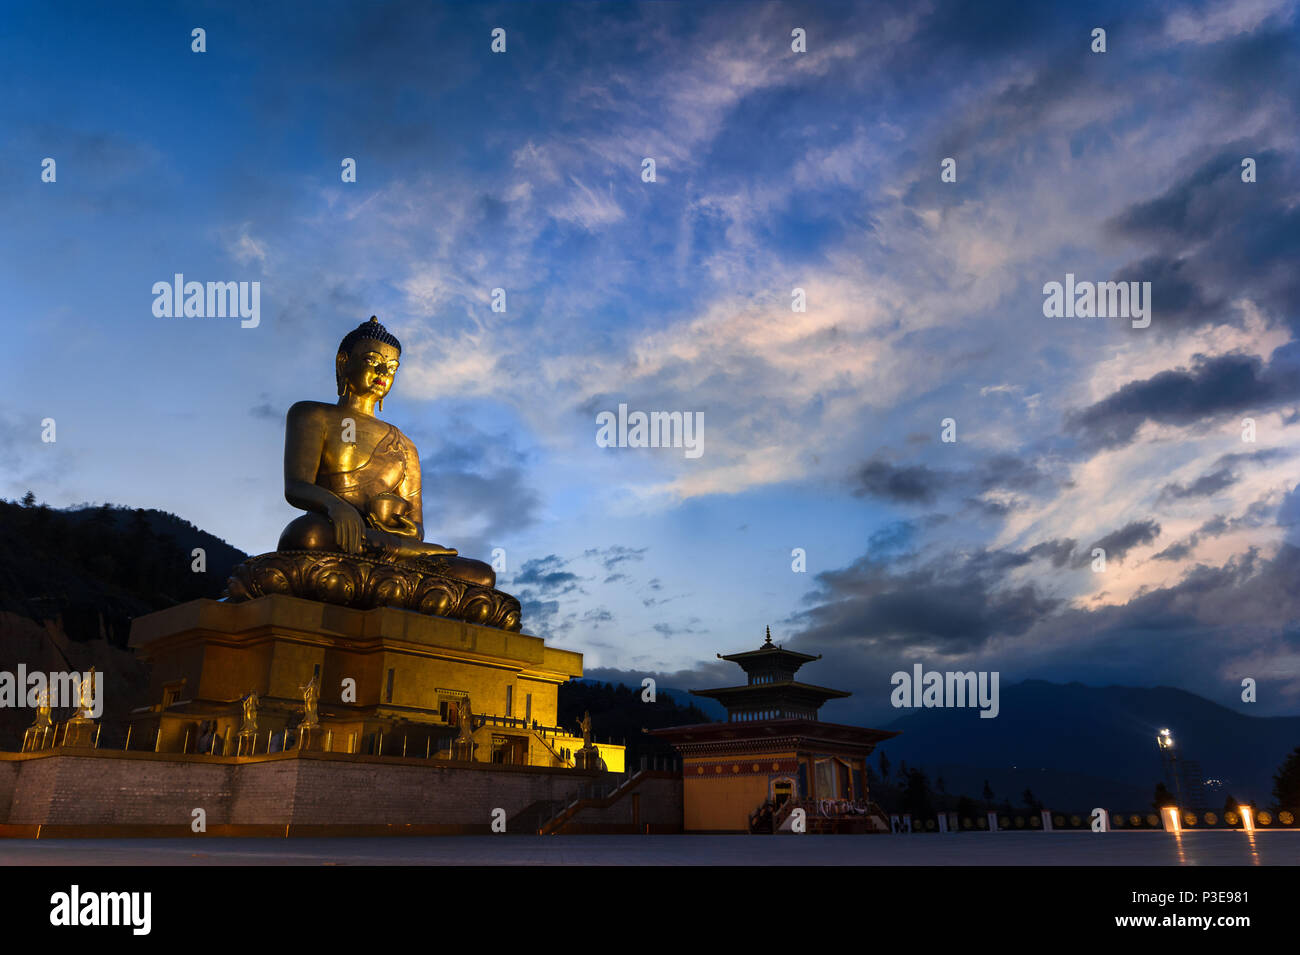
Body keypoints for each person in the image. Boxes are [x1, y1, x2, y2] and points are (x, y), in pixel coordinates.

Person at [277, 316, 496, 588]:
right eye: (372, 361)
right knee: (307, 535)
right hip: (334, 536)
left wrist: (401, 532)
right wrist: (336, 506)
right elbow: (296, 486)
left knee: (482, 576)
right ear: (343, 362)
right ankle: (386, 583)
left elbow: (417, 528)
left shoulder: (405, 445)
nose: (383, 373)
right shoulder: (312, 414)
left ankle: (378, 579)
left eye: (392, 367)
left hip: (386, 548)